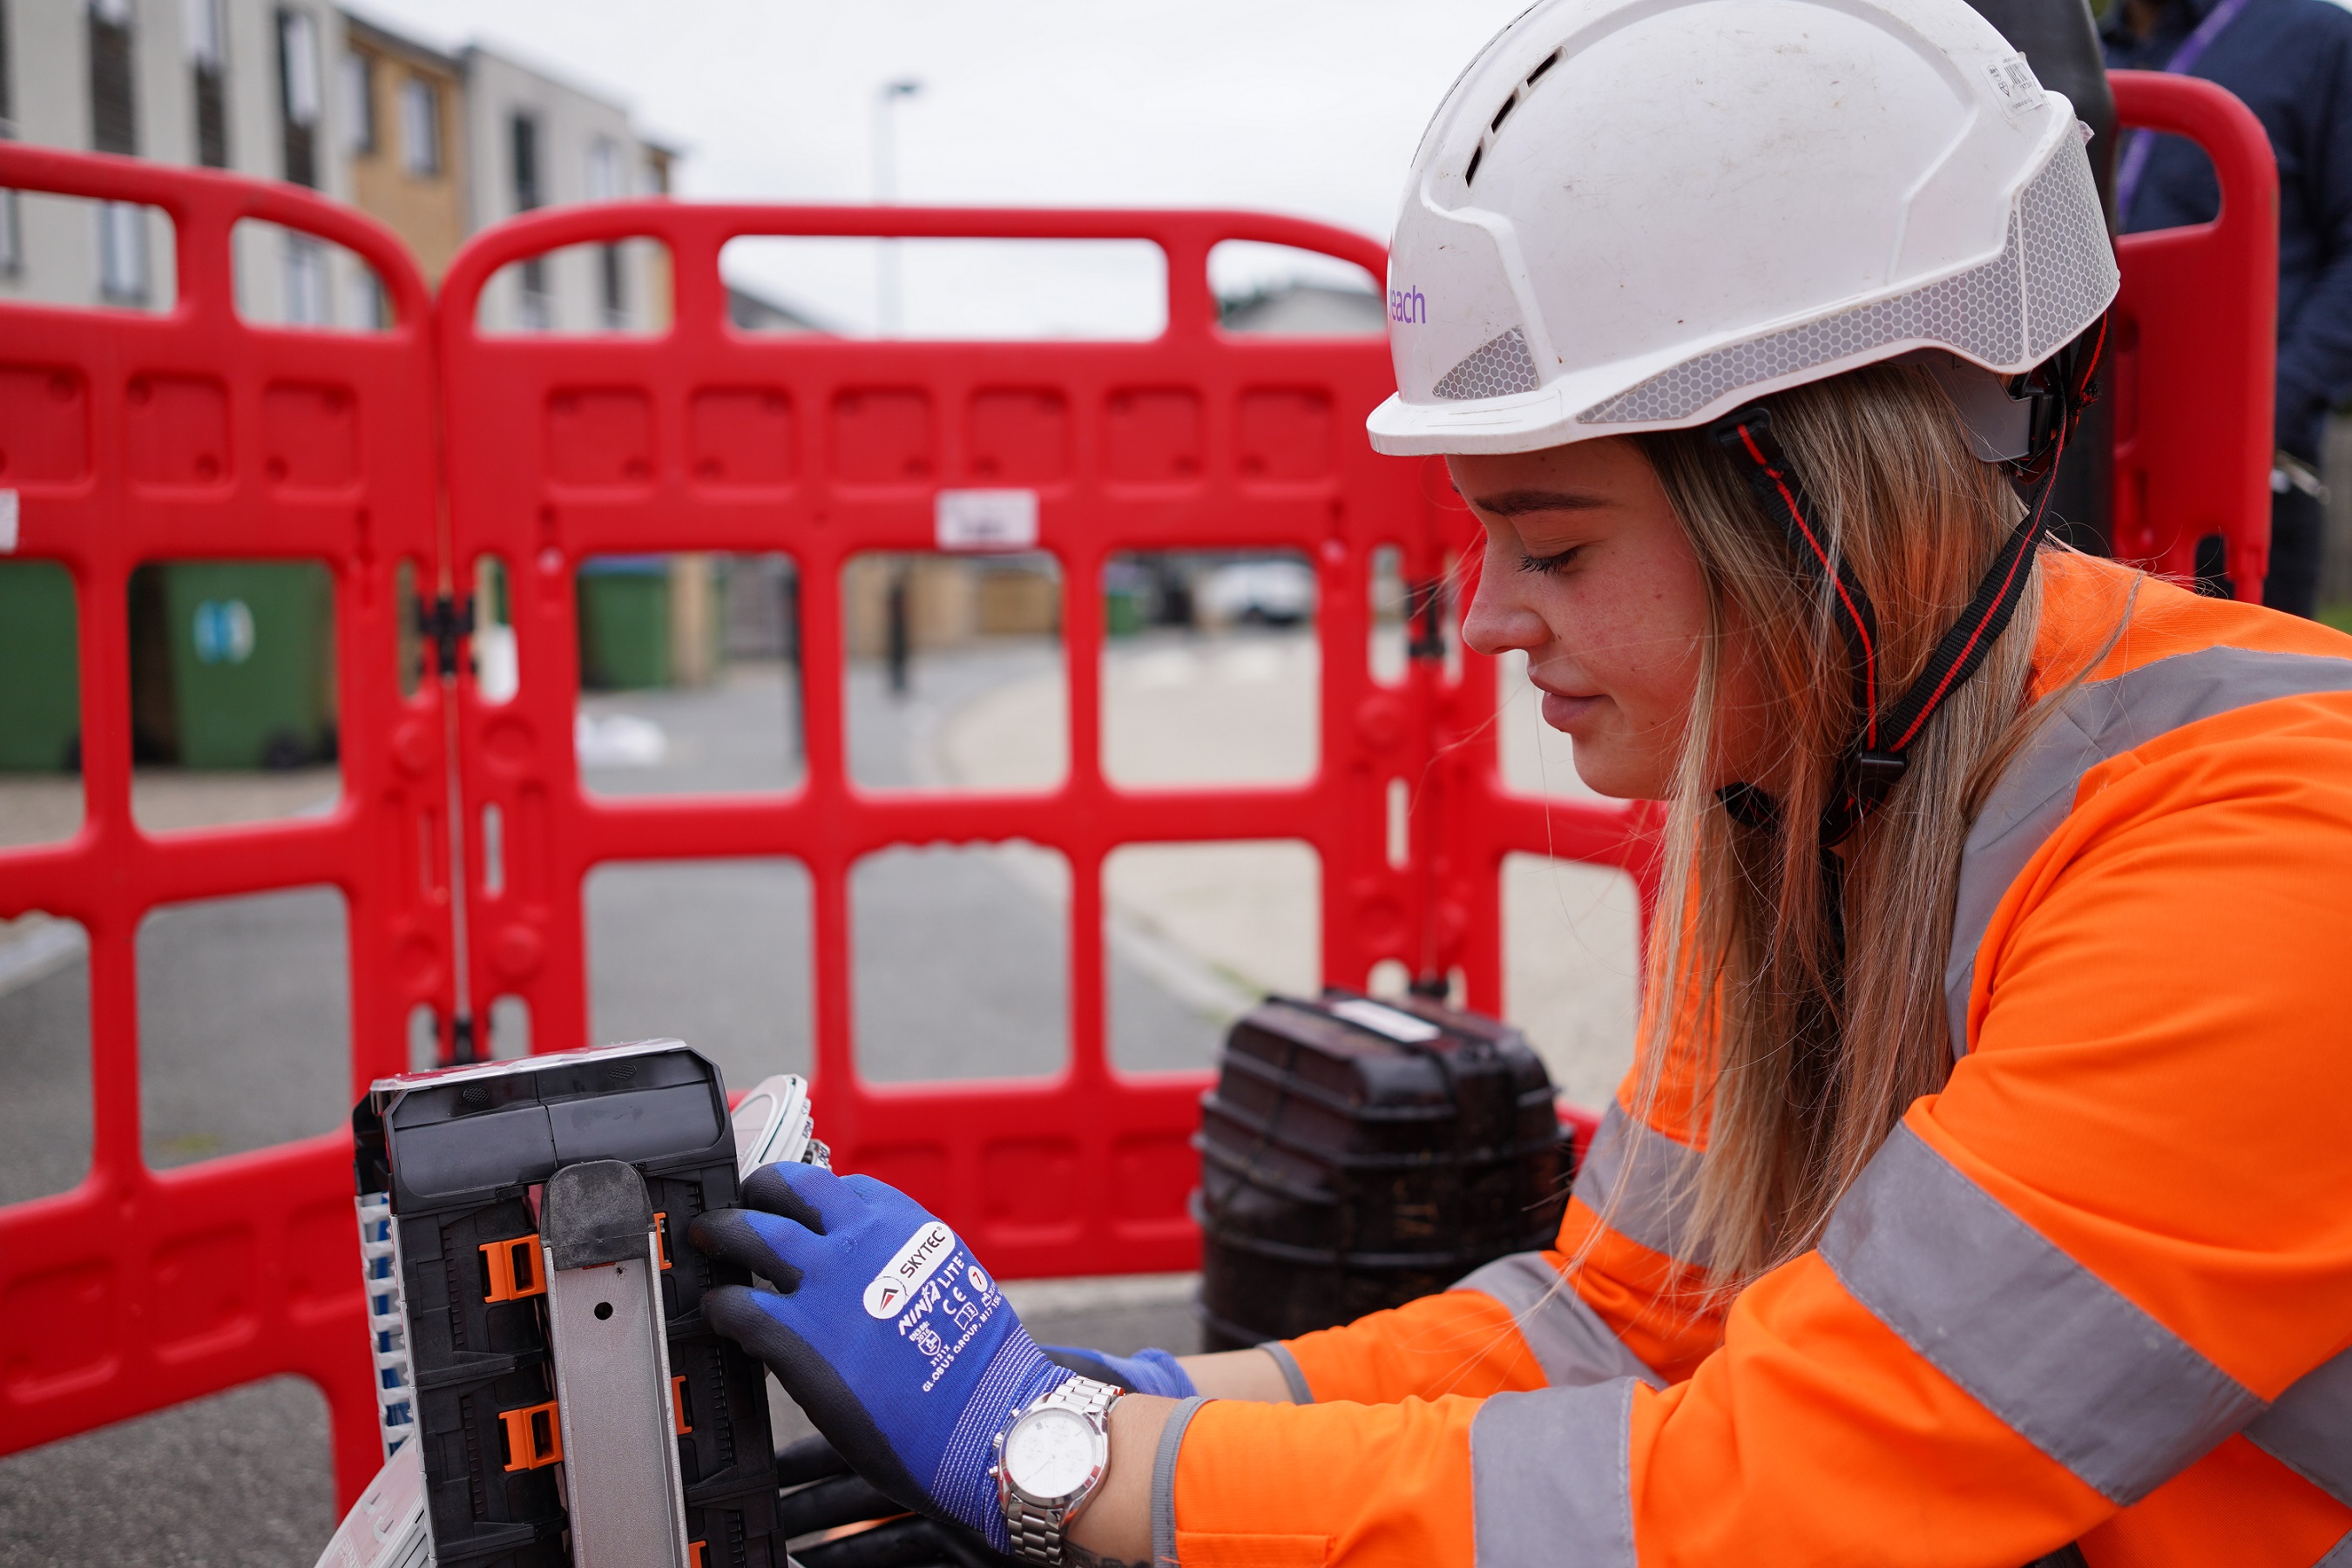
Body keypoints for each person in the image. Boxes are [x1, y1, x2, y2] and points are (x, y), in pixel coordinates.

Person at [692, 0, 2352, 1563]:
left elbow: (1775, 1503)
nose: (1485, 620)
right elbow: (1616, 1323)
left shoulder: (2274, 855)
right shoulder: (1805, 785)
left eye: (1553, 543)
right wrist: (1128, 1408)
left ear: (1823, 510)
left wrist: (1054, 1461)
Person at [2104, 0, 2352, 617]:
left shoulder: (2317, 38)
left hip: (2233, 485)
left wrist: (2264, 410)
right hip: (2082, 467)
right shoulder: (2078, 51)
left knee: (2231, 703)